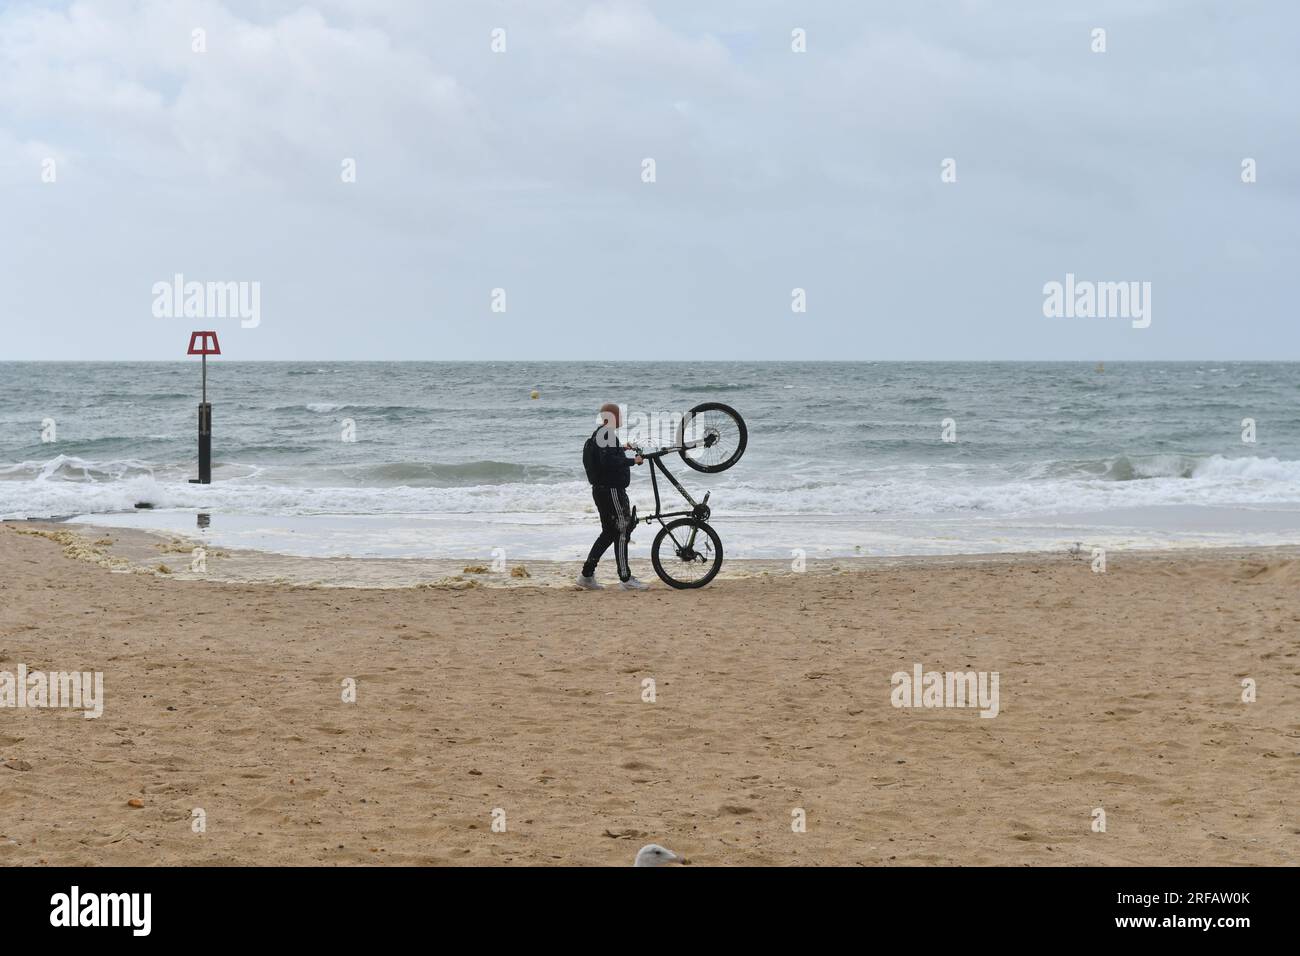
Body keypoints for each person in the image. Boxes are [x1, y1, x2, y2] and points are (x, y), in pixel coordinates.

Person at [578, 403, 649, 590]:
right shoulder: (606, 434)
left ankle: (586, 576)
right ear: (612, 417)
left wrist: (622, 449)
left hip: (602, 490)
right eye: (620, 415)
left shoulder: (601, 434)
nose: (622, 419)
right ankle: (626, 579)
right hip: (611, 491)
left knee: (609, 532)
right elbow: (608, 461)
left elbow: (606, 456)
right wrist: (634, 460)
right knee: (623, 529)